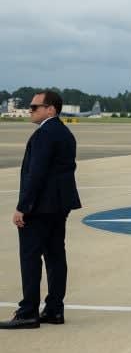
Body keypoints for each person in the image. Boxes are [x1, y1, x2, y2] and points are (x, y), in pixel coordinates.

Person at [1, 90, 81, 329]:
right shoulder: (65, 133)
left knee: (30, 258)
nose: (30, 110)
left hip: (39, 207)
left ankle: (28, 312)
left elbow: (36, 175)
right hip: (59, 206)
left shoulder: (44, 134)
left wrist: (22, 207)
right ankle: (55, 309)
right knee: (56, 256)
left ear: (51, 109)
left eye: (35, 107)